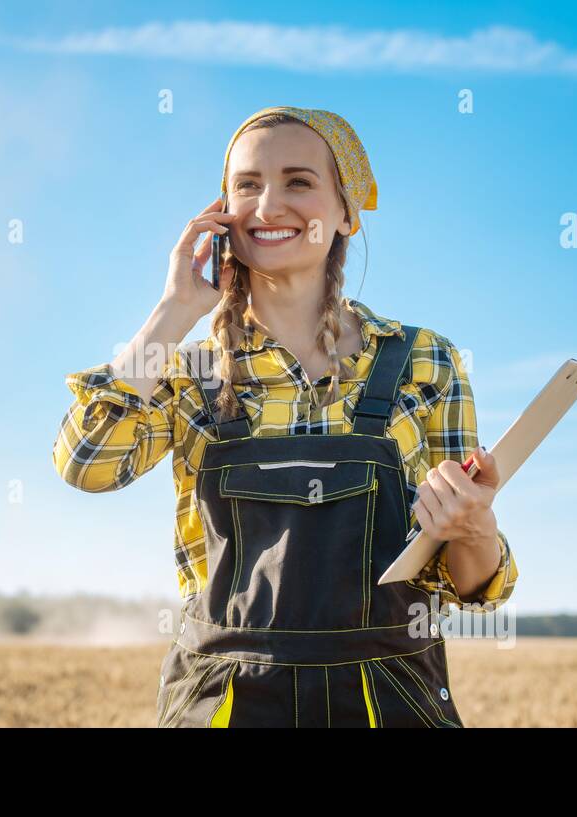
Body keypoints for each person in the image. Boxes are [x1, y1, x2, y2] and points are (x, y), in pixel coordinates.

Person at [52, 106, 517, 727]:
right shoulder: (185, 366)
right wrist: (173, 310)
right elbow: (86, 464)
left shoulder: (425, 361)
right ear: (221, 214)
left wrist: (474, 525)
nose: (268, 206)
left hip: (390, 697)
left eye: (298, 182)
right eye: (247, 185)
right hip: (224, 702)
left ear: (346, 212)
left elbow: (469, 587)